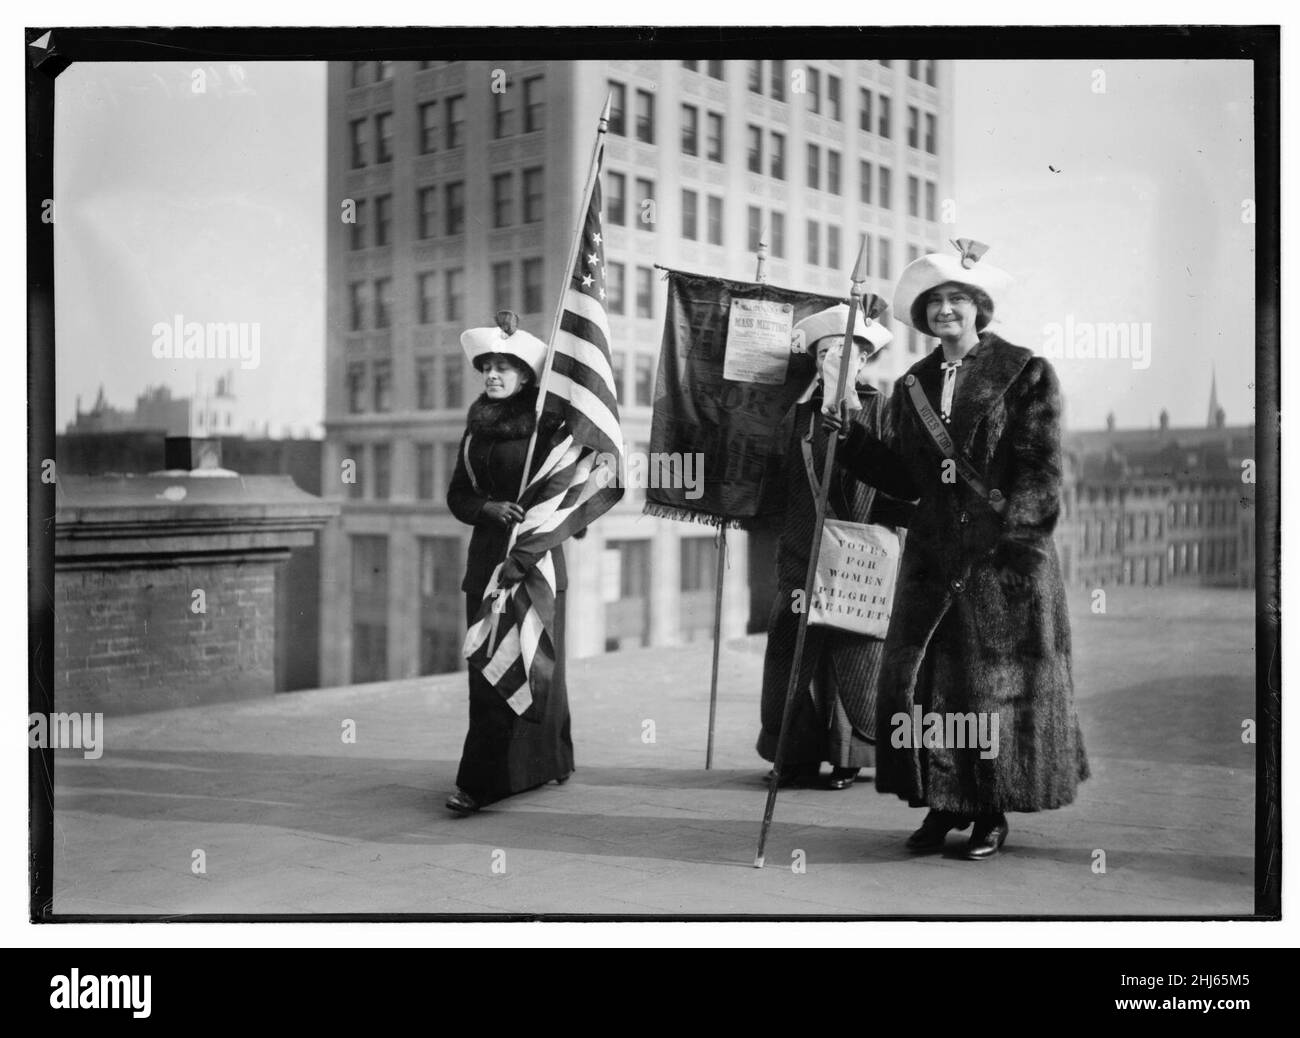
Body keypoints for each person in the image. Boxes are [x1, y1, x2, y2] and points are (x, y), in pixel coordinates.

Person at [826, 240, 1089, 859]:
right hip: (933, 558)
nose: (945, 309)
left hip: (1002, 559)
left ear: (979, 308)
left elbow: (1039, 472)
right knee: (928, 686)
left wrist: (1016, 549)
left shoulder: (1024, 373)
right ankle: (942, 804)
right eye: (934, 302)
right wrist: (853, 441)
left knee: (992, 688)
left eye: (957, 299)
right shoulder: (912, 384)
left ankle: (990, 812)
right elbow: (905, 478)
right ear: (921, 316)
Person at [757, 302, 913, 790]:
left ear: (864, 360)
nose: (838, 360)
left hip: (862, 549)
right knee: (794, 648)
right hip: (803, 548)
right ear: (817, 360)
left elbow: (902, 481)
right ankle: (794, 754)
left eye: (849, 352)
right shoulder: (799, 415)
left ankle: (850, 755)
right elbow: (778, 480)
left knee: (854, 645)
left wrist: (886, 536)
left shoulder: (884, 409)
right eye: (828, 352)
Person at [444, 310, 574, 815]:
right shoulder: (476, 430)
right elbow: (457, 495)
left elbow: (564, 493)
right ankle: (485, 781)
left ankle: (544, 761)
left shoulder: (548, 429)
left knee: (538, 664)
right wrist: (487, 508)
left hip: (534, 562)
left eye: (503, 367)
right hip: (486, 566)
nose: (492, 375)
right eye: (487, 367)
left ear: (525, 376)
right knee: (489, 666)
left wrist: (531, 530)